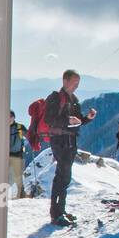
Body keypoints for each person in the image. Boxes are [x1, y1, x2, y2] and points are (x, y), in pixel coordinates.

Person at [44, 69, 96, 226]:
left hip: (70, 141)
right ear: (65, 81)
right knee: (62, 176)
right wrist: (68, 120)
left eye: (78, 82)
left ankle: (60, 210)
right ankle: (56, 214)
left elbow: (77, 120)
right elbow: (49, 119)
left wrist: (87, 118)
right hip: (60, 141)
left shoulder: (73, 99)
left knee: (65, 176)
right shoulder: (55, 98)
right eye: (74, 82)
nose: (76, 85)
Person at [8, 110, 29, 199]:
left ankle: (21, 194)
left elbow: (28, 136)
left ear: (13, 117)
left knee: (18, 176)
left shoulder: (20, 127)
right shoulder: (3, 127)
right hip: (6, 155)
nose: (8, 119)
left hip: (17, 155)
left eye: (10, 117)